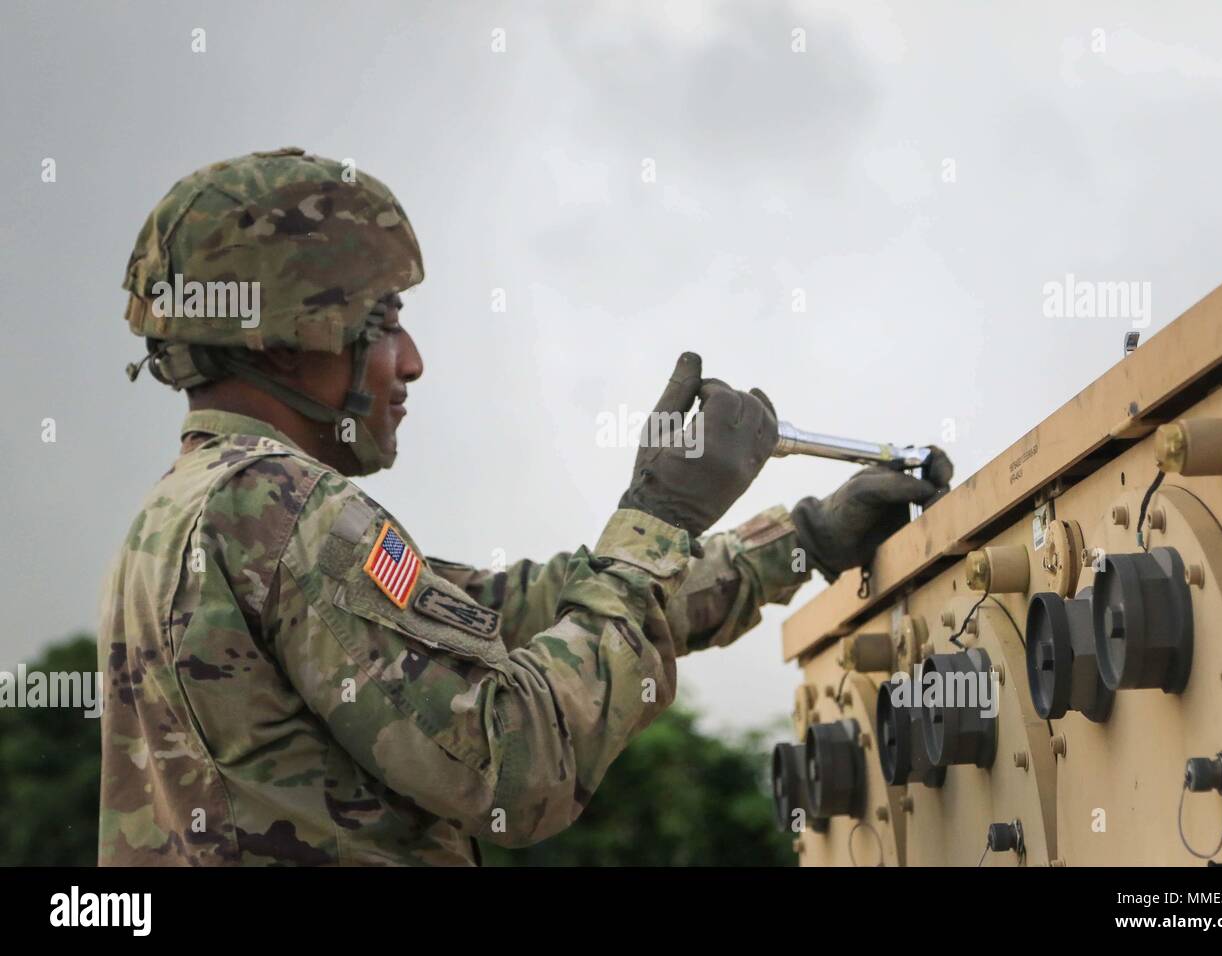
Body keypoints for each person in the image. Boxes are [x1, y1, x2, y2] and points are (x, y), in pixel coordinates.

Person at [99, 148, 951, 866]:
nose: (412, 361)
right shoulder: (278, 509)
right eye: (383, 321)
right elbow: (516, 766)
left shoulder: (194, 512)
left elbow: (505, 616)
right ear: (287, 338)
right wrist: (660, 516)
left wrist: (797, 543)